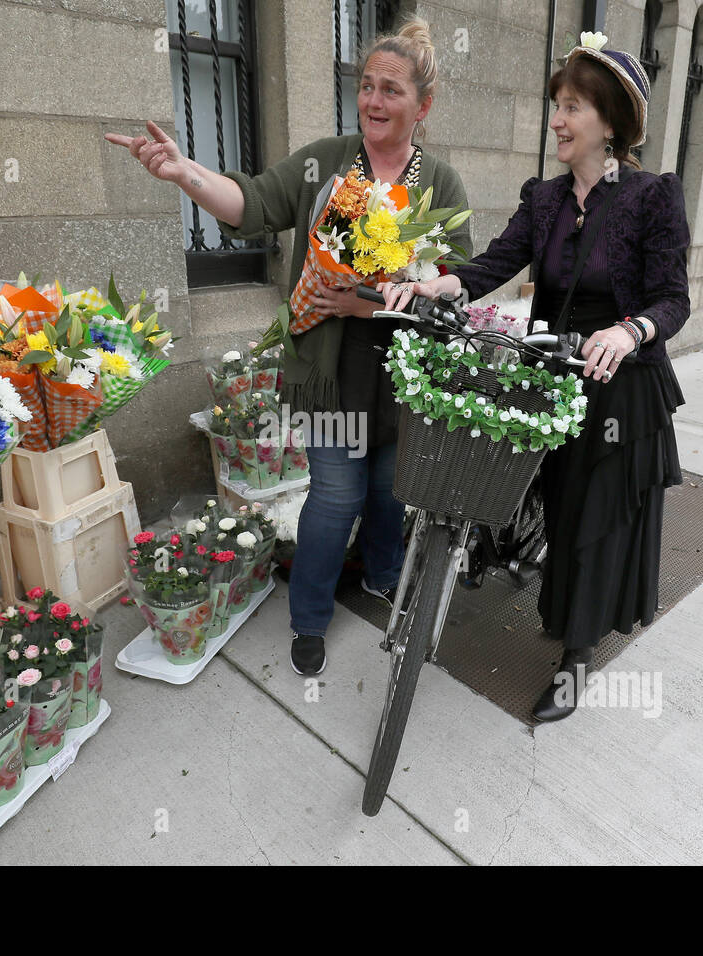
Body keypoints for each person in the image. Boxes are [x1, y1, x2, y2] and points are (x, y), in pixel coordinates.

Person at [106, 17, 471, 677]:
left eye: (391, 90)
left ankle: (384, 575)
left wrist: (394, 290)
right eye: (366, 86)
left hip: (401, 375)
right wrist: (185, 173)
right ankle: (310, 616)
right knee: (335, 496)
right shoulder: (325, 163)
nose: (374, 101)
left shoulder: (439, 184)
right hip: (327, 369)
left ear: (424, 105)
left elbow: (456, 279)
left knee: (390, 489)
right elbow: (250, 202)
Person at [383, 38, 690, 721]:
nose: (556, 119)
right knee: (553, 500)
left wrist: (629, 329)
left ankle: (577, 658)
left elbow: (674, 300)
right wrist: (442, 283)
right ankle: (553, 604)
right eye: (556, 105)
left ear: (609, 123)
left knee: (589, 522)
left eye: (572, 106)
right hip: (554, 376)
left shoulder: (651, 199)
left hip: (621, 383)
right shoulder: (546, 199)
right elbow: (499, 260)